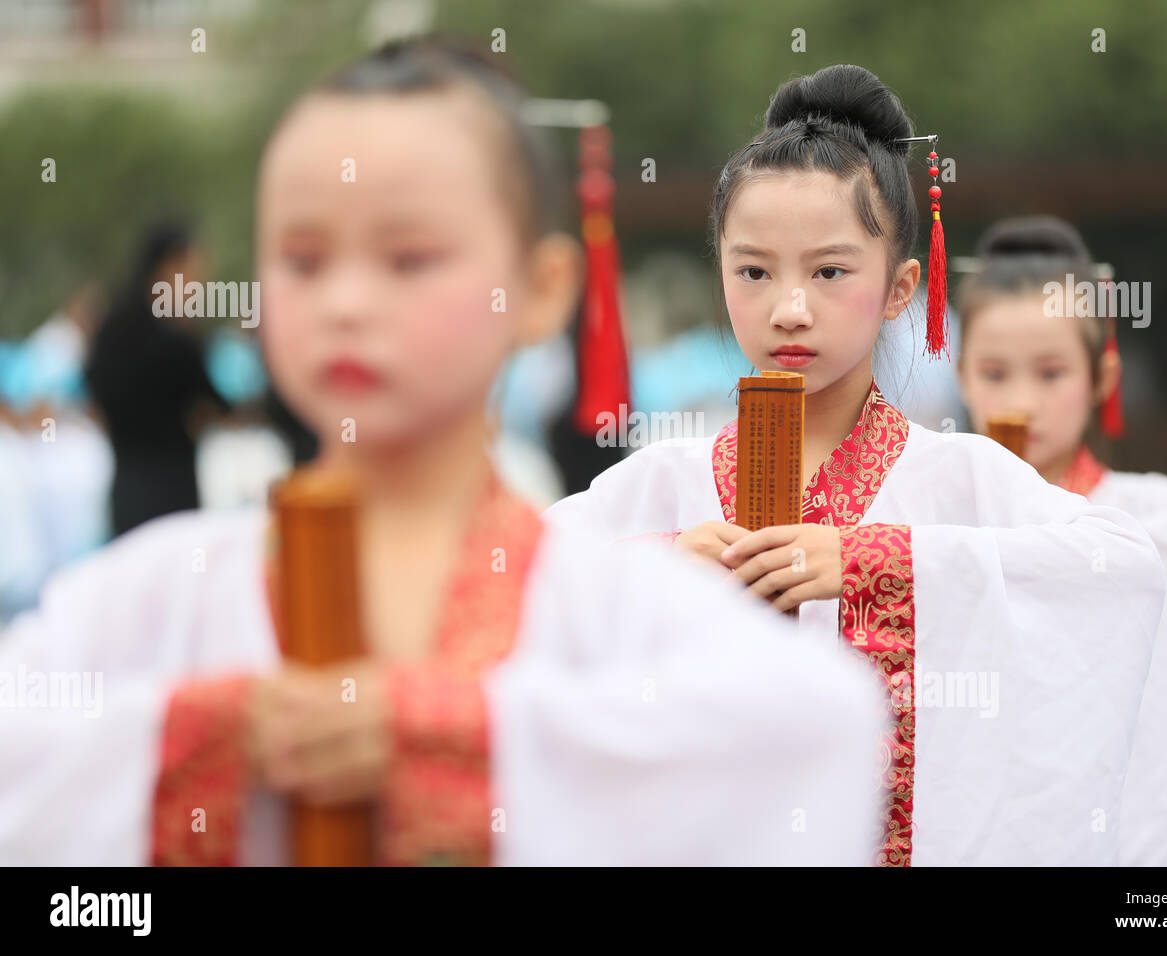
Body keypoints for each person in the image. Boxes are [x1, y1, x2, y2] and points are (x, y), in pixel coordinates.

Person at [0, 35, 882, 867]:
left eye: (409, 257)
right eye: (303, 260)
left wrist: (442, 734)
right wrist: (216, 733)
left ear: (541, 290)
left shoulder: (611, 601)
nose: (346, 300)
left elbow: (820, 733)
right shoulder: (156, 591)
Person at [542, 64, 1167, 866]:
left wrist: (878, 560)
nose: (789, 308)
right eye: (754, 270)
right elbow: (509, 583)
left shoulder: (961, 477)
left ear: (903, 285)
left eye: (830, 272)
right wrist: (659, 568)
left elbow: (1121, 568)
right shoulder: (659, 481)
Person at [954, 215, 1167, 865]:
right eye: (995, 374)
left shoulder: (1152, 516)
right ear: (961, 375)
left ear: (1101, 377)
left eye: (1050, 373)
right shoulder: (936, 513)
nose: (1020, 400)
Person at [85, 222, 231, 536]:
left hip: (127, 493)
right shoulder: (175, 340)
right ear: (171, 266)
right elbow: (214, 407)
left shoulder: (111, 330)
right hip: (171, 495)